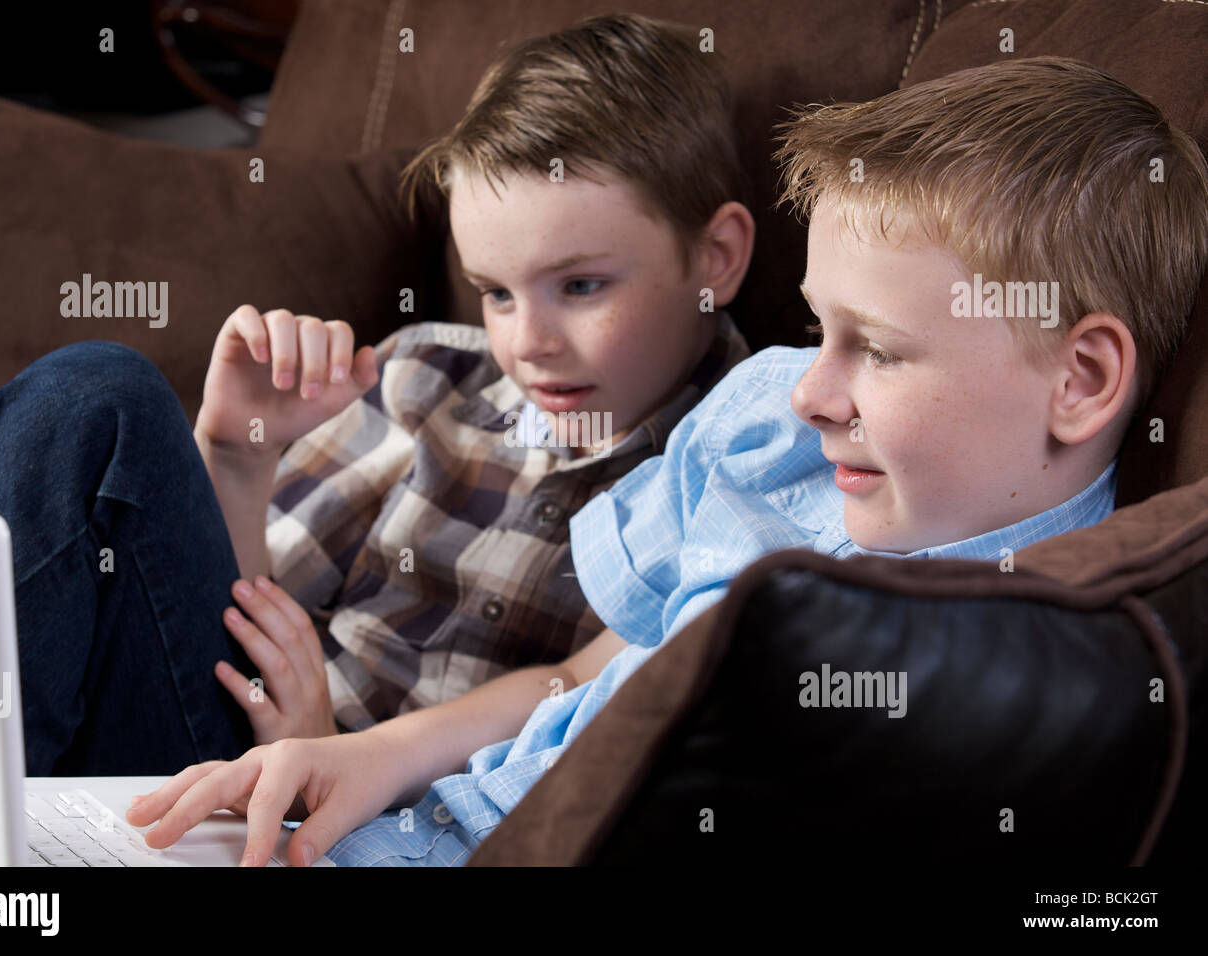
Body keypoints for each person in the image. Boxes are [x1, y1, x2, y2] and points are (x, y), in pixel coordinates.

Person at [128, 55, 1208, 866]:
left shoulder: (1017, 651)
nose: (808, 390)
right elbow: (568, 676)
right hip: (391, 813)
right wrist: (366, 757)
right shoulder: (763, 427)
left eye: (873, 349)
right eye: (818, 329)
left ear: (1078, 381)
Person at [0, 12, 753, 776]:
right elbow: (230, 622)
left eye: (581, 287)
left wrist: (330, 755)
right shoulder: (426, 378)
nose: (526, 343)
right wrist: (239, 461)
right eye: (496, 292)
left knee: (99, 397)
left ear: (715, 258)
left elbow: (567, 738)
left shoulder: (733, 474)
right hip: (218, 722)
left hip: (303, 803)